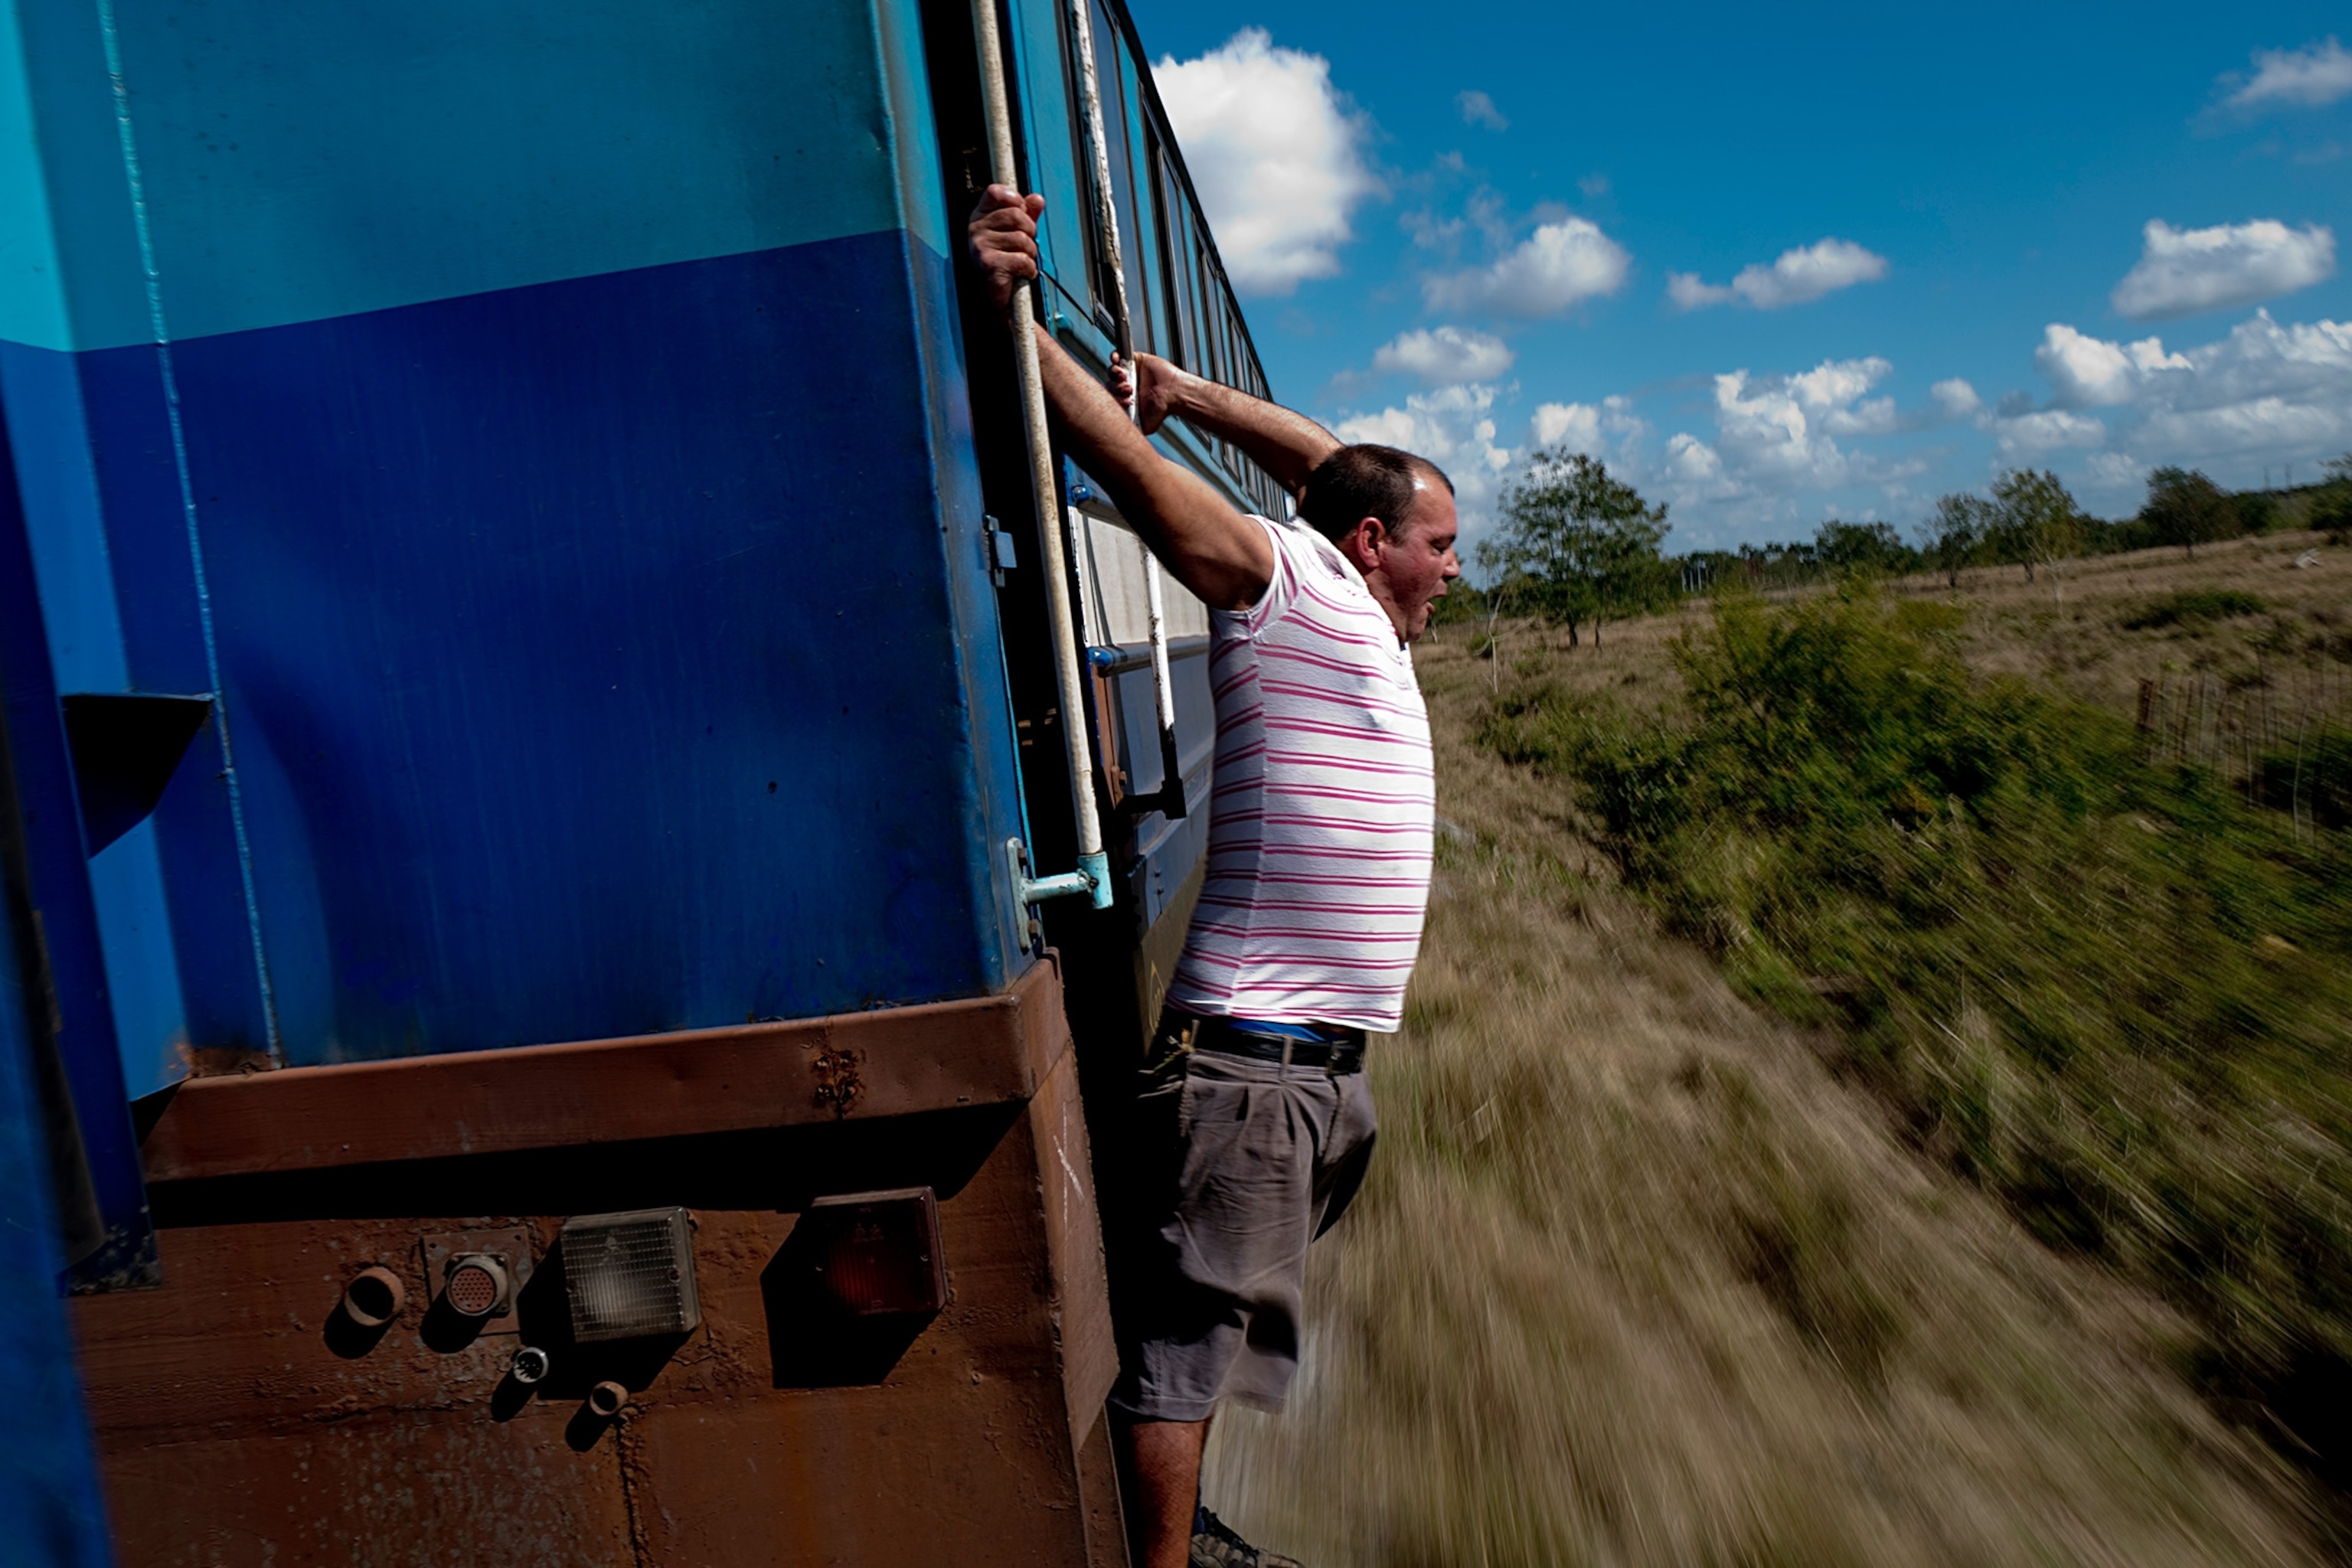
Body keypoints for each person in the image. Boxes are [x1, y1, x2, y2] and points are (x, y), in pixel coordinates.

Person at [969, 185, 1459, 1568]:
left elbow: (1336, 459)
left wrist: (1192, 386)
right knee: (1184, 1361)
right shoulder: (1282, 582)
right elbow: (1132, 470)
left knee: (1219, 1329)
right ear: (1377, 548)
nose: (1453, 571)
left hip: (1319, 1068)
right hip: (1256, 1063)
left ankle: (1189, 1535)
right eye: (1442, 546)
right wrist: (1011, 308)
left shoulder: (1367, 609)